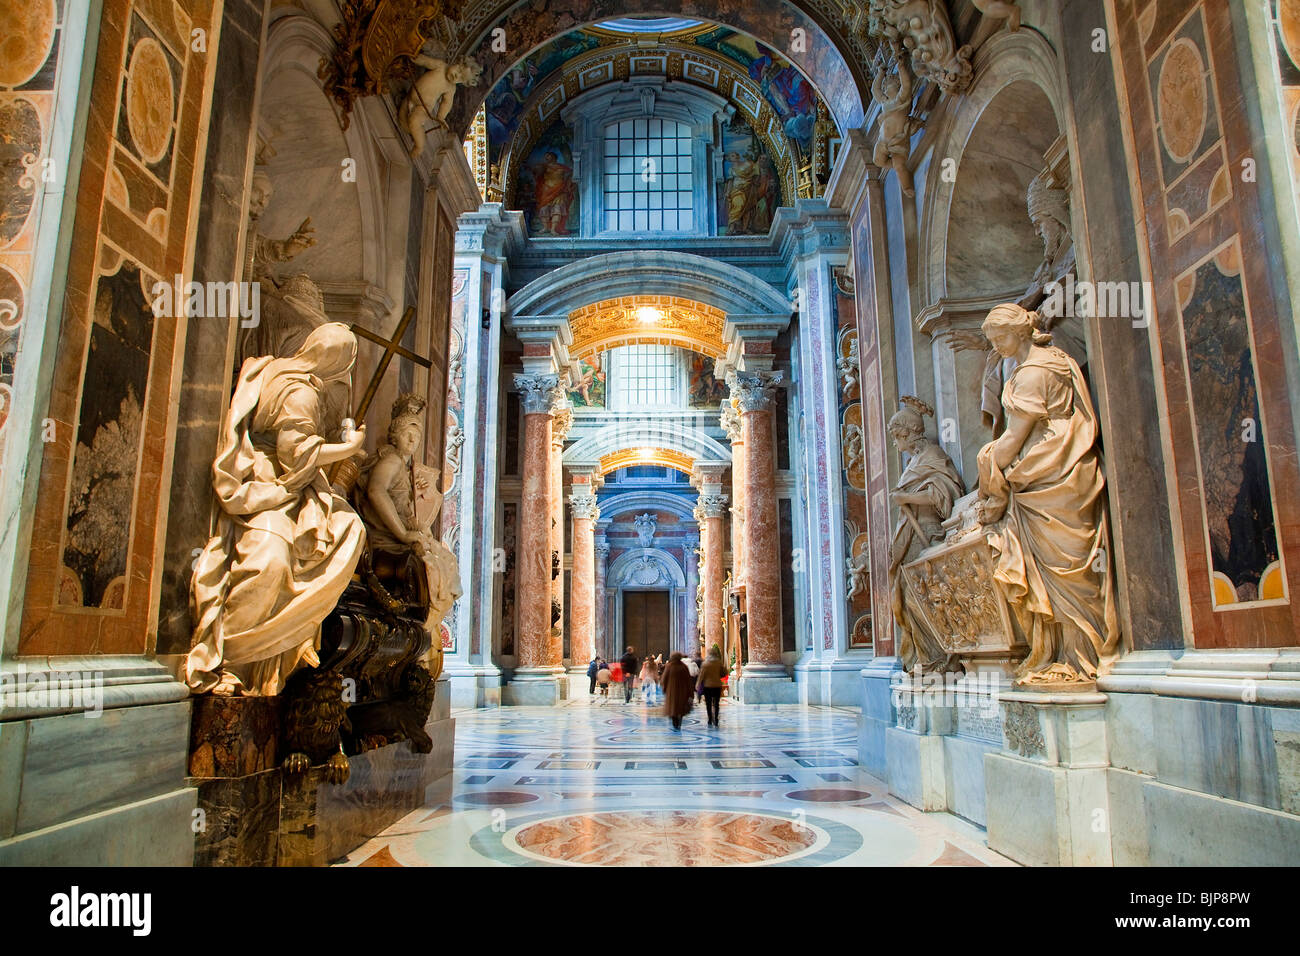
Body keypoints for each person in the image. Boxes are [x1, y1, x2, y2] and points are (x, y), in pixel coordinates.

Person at [186, 323, 367, 696]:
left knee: (349, 526)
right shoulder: (301, 391)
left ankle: (274, 645)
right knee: (271, 561)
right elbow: (296, 454)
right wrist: (350, 447)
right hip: (272, 486)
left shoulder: (272, 368)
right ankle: (232, 653)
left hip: (272, 478)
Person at [975, 303, 1120, 684]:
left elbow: (1011, 441)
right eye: (992, 341)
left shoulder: (1034, 373)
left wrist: (986, 464)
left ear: (1021, 331)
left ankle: (1079, 658)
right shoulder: (1056, 359)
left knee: (1067, 569)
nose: (998, 346)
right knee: (1064, 571)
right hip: (1060, 467)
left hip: (1050, 473)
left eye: (1001, 338)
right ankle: (1063, 654)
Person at [660, 652, 695, 731]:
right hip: (683, 692)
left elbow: (664, 679)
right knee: (681, 708)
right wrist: (690, 693)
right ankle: (679, 722)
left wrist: (664, 689)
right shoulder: (684, 667)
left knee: (673, 708)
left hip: (671, 692)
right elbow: (688, 681)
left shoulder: (669, 666)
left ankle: (674, 722)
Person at [697, 646, 729, 727]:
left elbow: (701, 676)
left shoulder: (705, 664)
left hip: (707, 686)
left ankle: (710, 718)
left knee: (708, 703)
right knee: (716, 703)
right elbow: (725, 672)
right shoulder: (719, 663)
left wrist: (698, 684)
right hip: (717, 685)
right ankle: (716, 719)